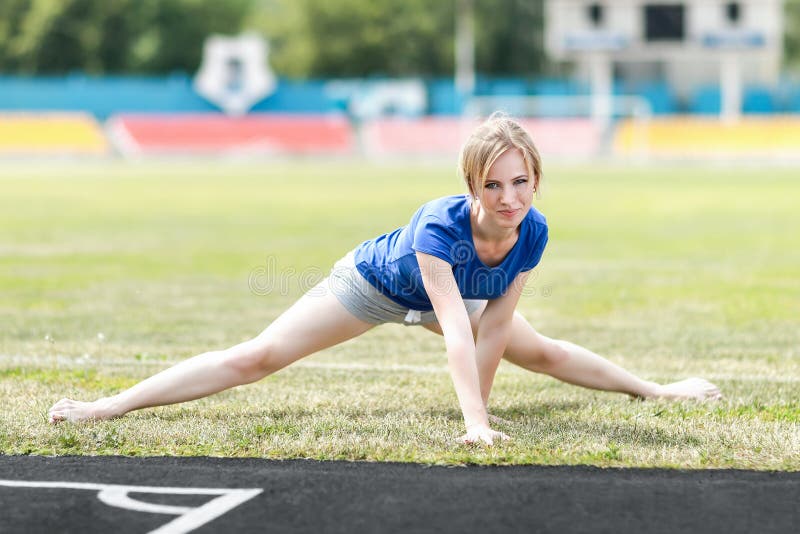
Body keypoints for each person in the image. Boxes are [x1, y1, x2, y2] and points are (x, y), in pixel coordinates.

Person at [48, 113, 722, 445]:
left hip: (456, 300)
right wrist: (473, 420)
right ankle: (105, 407)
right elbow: (457, 329)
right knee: (256, 358)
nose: (510, 196)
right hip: (375, 286)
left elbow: (493, 331)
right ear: (470, 185)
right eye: (493, 184)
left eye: (522, 181)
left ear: (537, 179)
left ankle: (655, 389)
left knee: (540, 351)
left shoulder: (534, 230)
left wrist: (481, 417)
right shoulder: (438, 226)